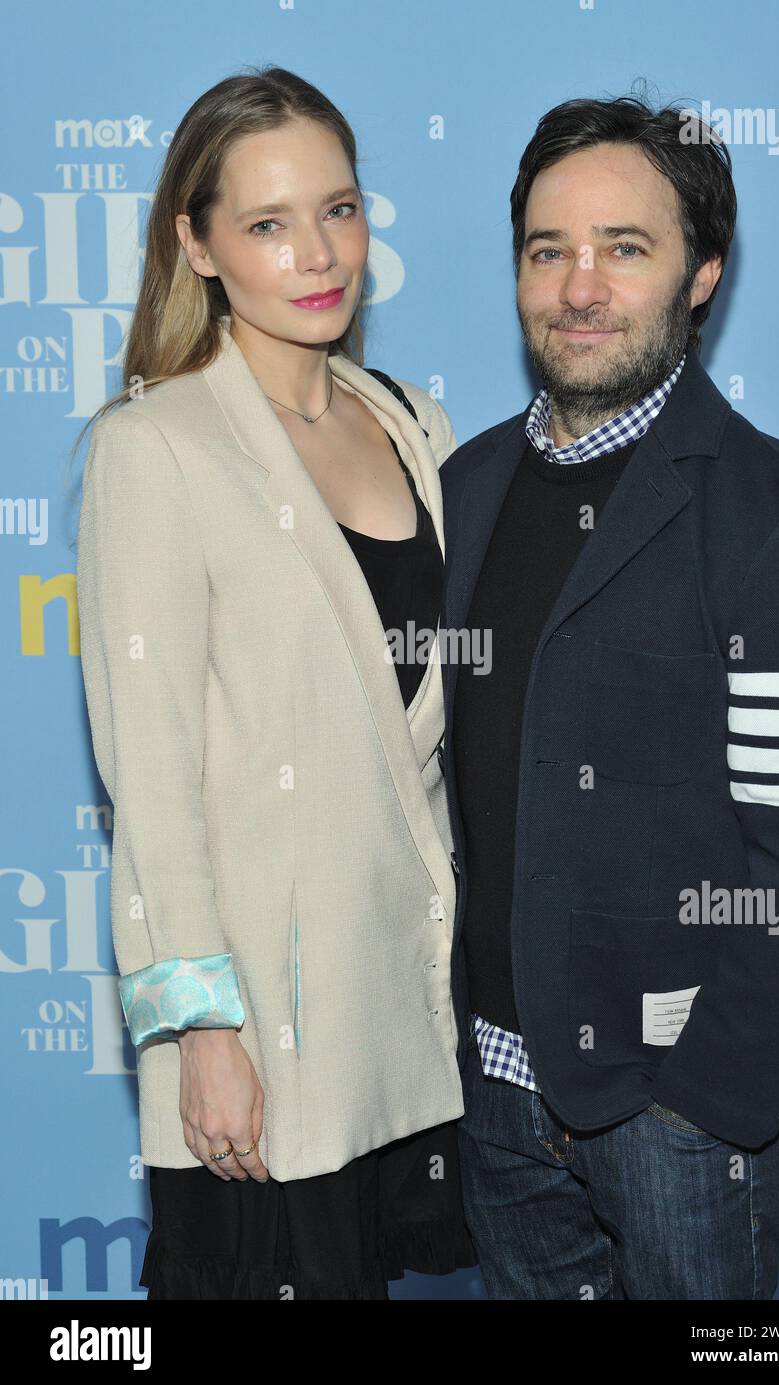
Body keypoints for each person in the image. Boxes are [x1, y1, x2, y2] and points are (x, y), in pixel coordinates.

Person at [438, 94, 779, 1299]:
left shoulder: (775, 511)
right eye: (548, 251)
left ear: (702, 275)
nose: (579, 286)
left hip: (677, 1123)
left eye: (624, 248)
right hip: (493, 1100)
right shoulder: (464, 488)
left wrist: (706, 1102)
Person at [74, 65, 476, 1300]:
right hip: (265, 1028)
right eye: (267, 223)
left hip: (407, 1019)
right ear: (195, 245)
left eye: (340, 210)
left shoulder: (418, 424)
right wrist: (202, 1033)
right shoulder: (155, 449)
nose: (318, 253)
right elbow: (149, 779)